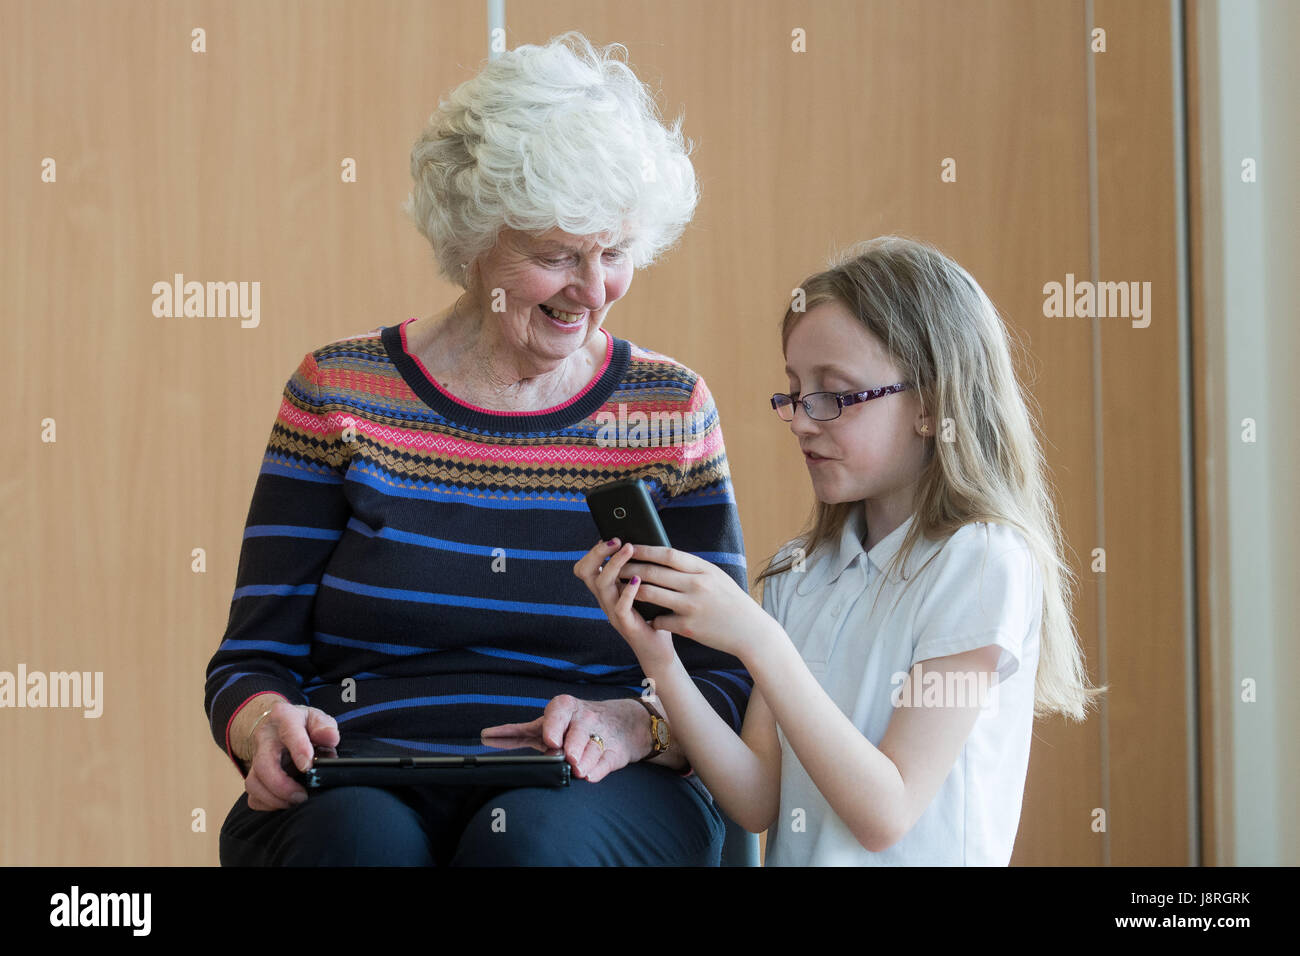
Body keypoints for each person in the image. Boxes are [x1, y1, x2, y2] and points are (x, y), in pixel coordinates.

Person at [206, 31, 751, 866]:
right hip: (365, 776)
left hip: (595, 791)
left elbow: (727, 676)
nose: (593, 287)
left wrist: (635, 723)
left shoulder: (667, 409)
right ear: (474, 240)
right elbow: (251, 660)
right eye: (557, 255)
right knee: (363, 844)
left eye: (614, 253)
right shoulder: (337, 392)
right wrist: (265, 725)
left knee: (532, 848)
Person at [576, 235, 1106, 865]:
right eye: (795, 393)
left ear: (932, 405)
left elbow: (888, 811)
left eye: (835, 395)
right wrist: (658, 657)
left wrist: (759, 640)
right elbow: (754, 800)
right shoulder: (800, 573)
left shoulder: (980, 562)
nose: (802, 419)